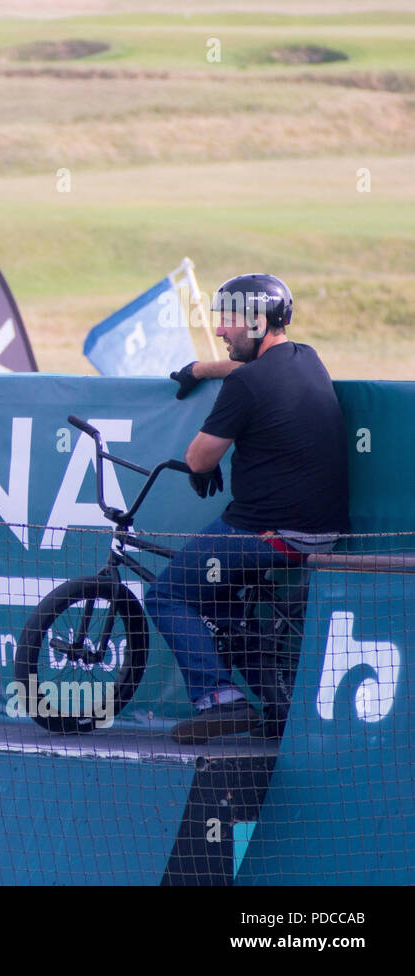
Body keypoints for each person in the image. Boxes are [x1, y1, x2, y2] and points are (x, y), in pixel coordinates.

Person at [147, 273, 349, 745]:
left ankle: (220, 699)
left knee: (167, 595)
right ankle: (275, 707)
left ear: (258, 322)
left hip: (264, 534)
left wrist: (202, 462)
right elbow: (246, 373)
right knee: (221, 606)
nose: (220, 332)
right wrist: (199, 369)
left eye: (230, 323)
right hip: (325, 530)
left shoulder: (247, 386)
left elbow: (199, 459)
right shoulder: (307, 359)